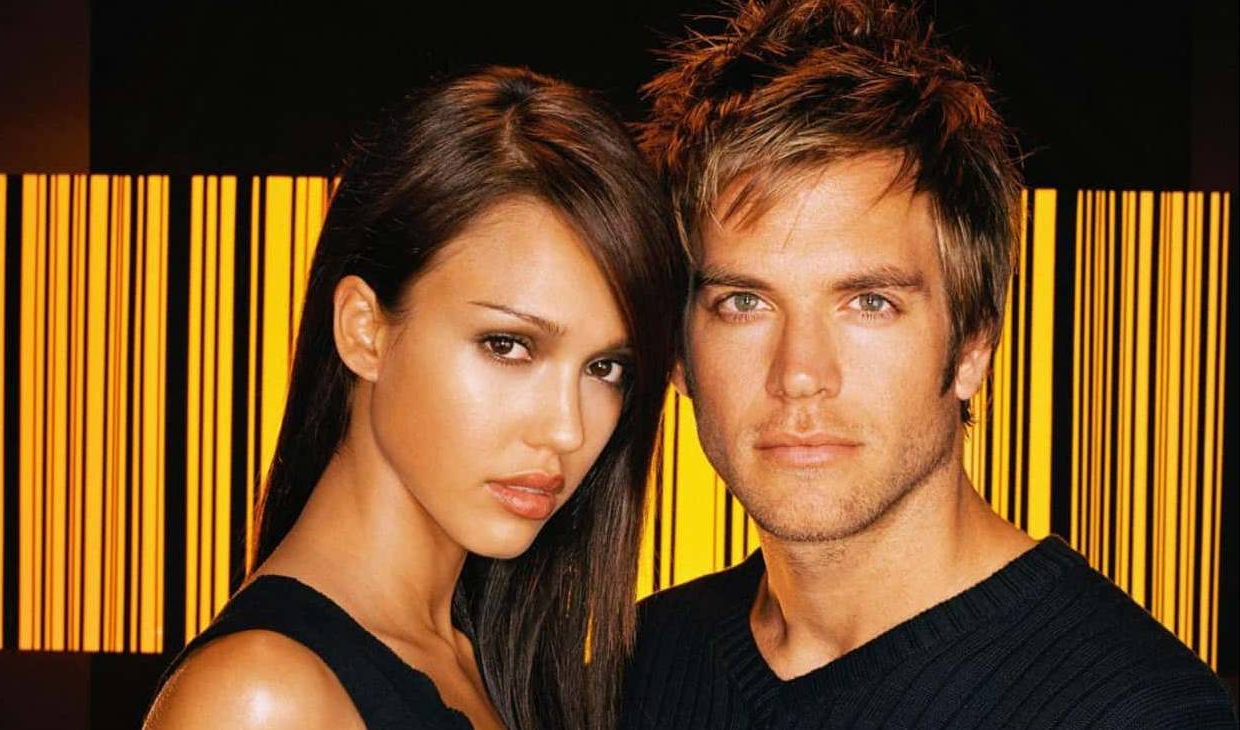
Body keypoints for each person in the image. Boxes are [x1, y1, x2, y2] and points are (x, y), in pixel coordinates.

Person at [624, 1, 1238, 727]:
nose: (799, 374)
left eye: (870, 302)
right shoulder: (637, 664)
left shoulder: (1138, 711)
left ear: (973, 345)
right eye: (743, 303)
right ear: (677, 353)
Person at [144, 66, 685, 730]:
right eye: (508, 345)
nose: (567, 429)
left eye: (605, 368)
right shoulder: (262, 700)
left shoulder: (497, 664)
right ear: (363, 330)